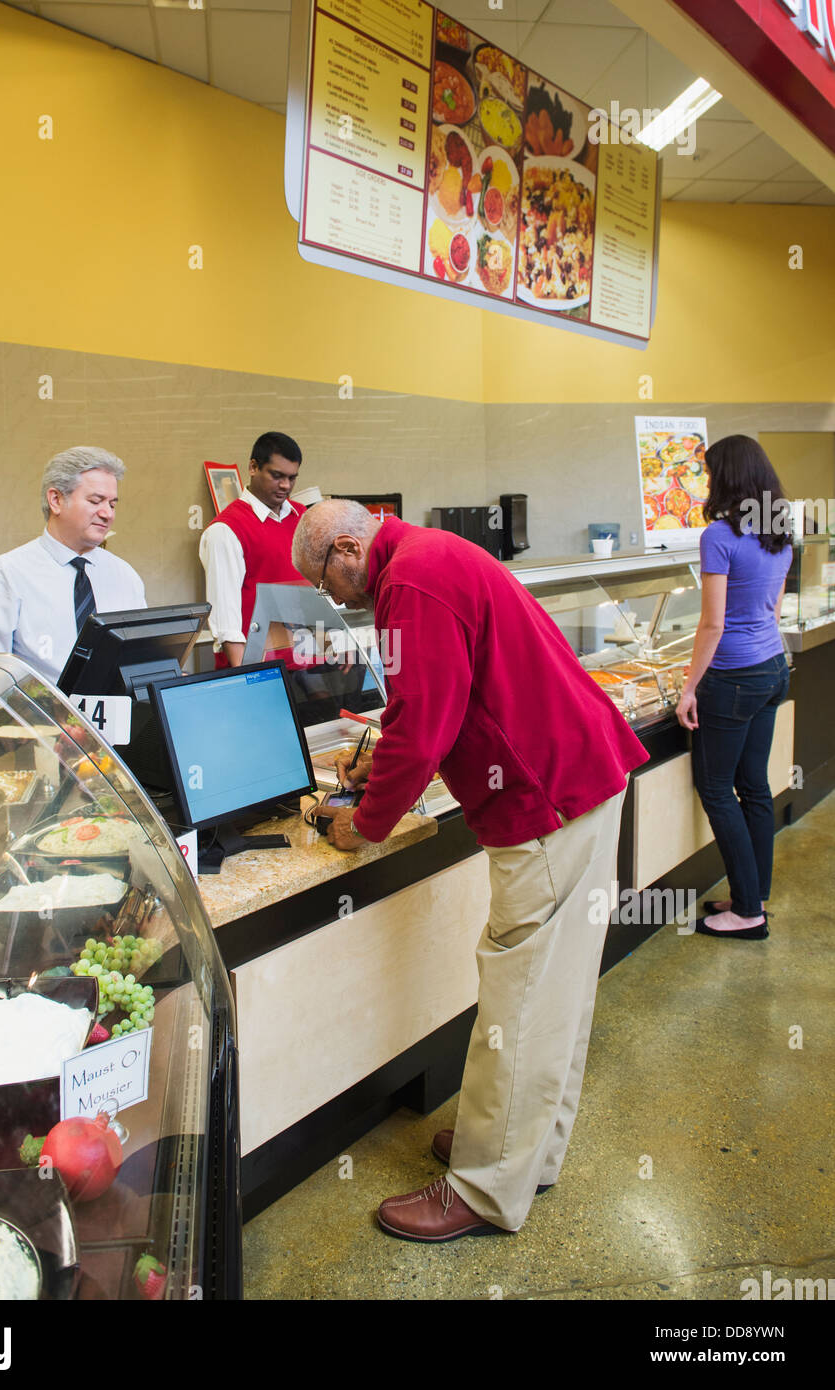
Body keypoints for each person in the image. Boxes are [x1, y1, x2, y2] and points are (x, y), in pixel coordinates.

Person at [291, 499, 649, 1242]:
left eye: (326, 583)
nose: (332, 601)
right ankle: (524, 1152)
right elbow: (428, 702)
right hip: (578, 776)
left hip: (545, 797)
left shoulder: (407, 584)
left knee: (519, 996)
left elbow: (423, 725)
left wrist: (362, 825)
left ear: (350, 546)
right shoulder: (425, 553)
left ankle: (485, 1189)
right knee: (554, 992)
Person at [676, 435, 793, 940]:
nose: (706, 480)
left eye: (710, 472)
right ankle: (753, 894)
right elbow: (773, 605)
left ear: (728, 477)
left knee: (717, 789)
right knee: (754, 788)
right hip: (772, 667)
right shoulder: (782, 530)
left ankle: (747, 914)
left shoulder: (719, 536)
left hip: (732, 679)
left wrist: (688, 688)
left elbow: (712, 625)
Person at [0, 446, 146, 684]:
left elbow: (140, 657)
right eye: (95, 501)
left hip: (116, 716)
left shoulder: (124, 575)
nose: (107, 514)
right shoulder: (4, 576)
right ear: (56, 500)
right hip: (37, 718)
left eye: (112, 504)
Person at [199, 432, 305, 667]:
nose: (285, 485)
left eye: (292, 477)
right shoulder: (225, 530)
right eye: (276, 476)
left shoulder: (303, 517)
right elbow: (226, 623)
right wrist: (248, 679)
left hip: (309, 669)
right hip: (260, 669)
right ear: (253, 467)